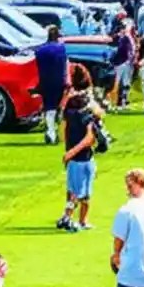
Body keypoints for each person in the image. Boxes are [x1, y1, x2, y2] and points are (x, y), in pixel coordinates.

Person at [57, 85, 101, 232]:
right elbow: (90, 138)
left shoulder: (72, 115)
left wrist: (71, 152)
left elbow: (88, 138)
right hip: (83, 160)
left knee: (77, 193)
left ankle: (75, 219)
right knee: (78, 193)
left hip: (79, 160)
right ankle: (70, 218)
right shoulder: (86, 115)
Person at [34, 26, 69, 144]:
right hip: (59, 80)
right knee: (58, 106)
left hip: (46, 81)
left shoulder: (40, 50)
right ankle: (54, 132)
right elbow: (64, 65)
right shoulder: (61, 48)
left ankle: (51, 131)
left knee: (49, 106)